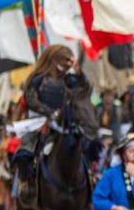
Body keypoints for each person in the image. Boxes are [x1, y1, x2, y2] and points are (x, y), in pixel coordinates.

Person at [15, 44, 100, 181]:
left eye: (69, 61)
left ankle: (90, 176)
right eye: (65, 60)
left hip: (63, 121)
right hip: (38, 121)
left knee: (86, 144)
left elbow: (83, 90)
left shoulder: (69, 80)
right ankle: (26, 183)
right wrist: (49, 113)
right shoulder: (37, 79)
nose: (67, 64)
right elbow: (30, 99)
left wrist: (80, 74)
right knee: (26, 149)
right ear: (55, 60)